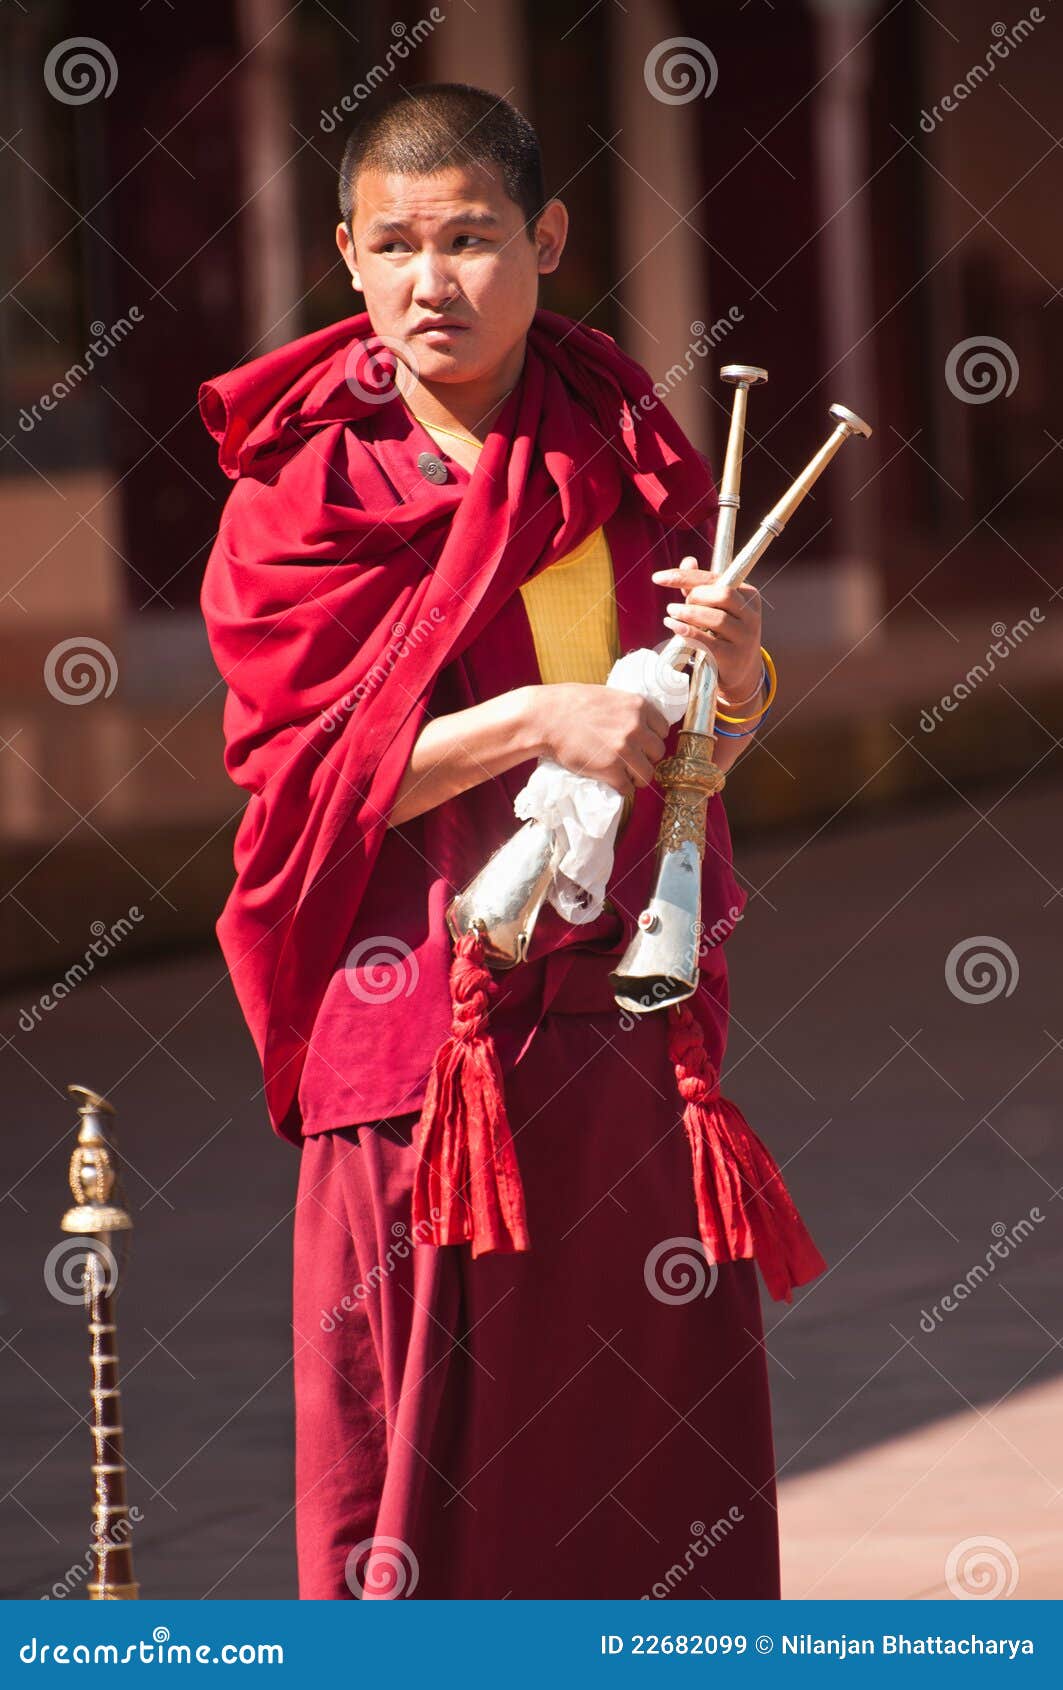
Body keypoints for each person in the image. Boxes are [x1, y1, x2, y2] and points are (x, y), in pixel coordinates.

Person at [199, 82, 825, 1601]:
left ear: (546, 240)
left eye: (473, 238)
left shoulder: (612, 446)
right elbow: (302, 784)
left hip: (620, 1035)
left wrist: (736, 672)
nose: (435, 281)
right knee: (409, 1484)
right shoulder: (303, 500)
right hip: (415, 1046)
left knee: (637, 1476)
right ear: (346, 255)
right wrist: (540, 721)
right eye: (398, 243)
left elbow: (692, 751)